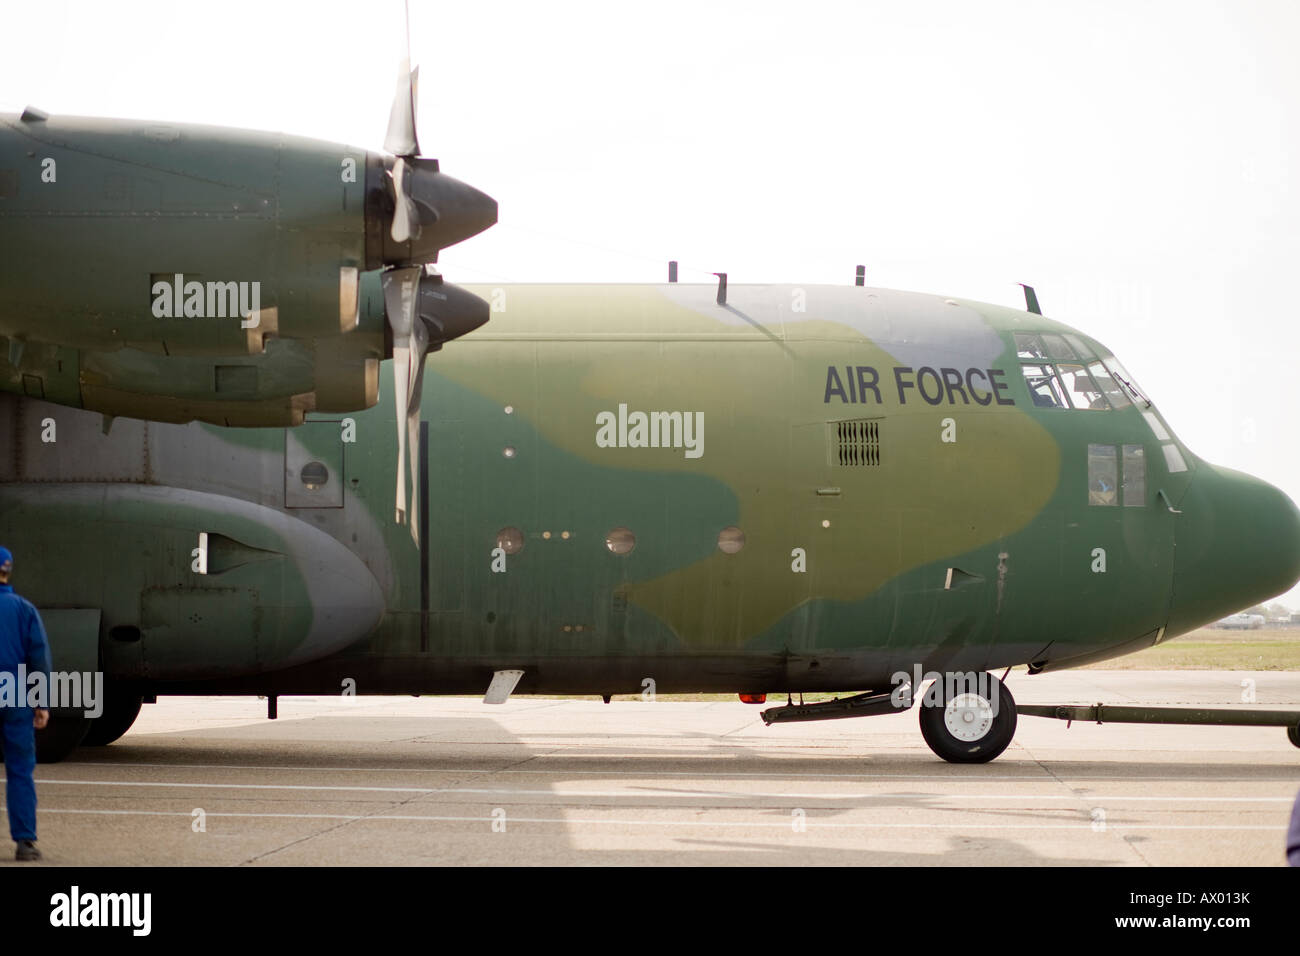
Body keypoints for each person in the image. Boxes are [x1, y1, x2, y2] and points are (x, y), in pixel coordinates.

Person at [0, 546, 51, 861]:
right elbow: (38, 659)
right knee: (19, 770)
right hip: (15, 694)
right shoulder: (24, 609)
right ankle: (25, 843)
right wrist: (41, 702)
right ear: (8, 570)